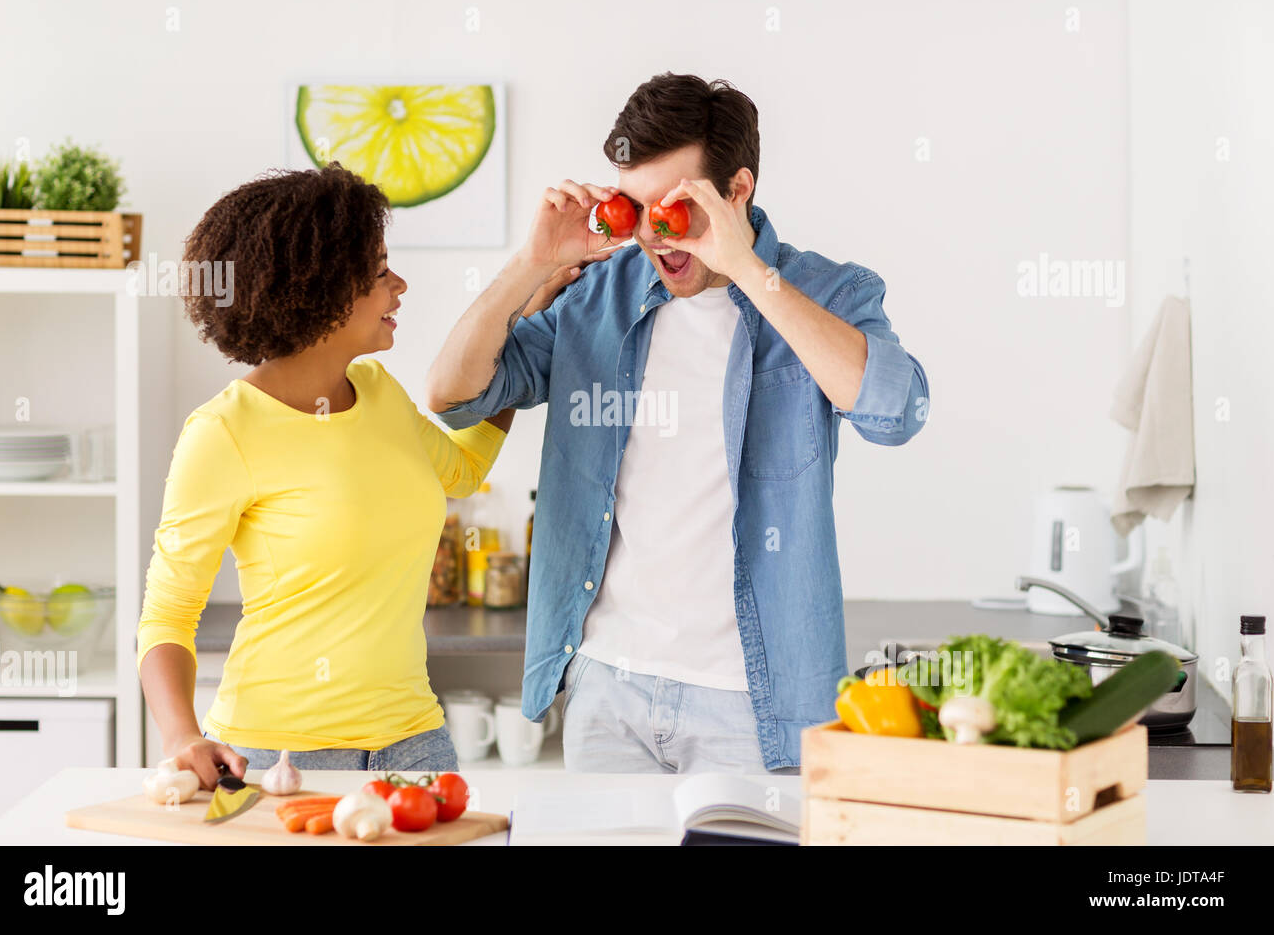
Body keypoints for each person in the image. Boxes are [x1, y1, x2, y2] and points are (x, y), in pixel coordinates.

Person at [425, 73, 931, 774]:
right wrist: (531, 263)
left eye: (677, 209)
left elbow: (896, 412)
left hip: (751, 701)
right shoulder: (595, 295)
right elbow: (452, 393)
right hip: (606, 683)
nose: (655, 235)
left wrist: (750, 271)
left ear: (737, 193)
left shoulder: (831, 292)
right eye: (635, 210)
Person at [137, 163, 524, 788]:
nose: (399, 285)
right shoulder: (223, 432)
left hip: (416, 747)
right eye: (378, 273)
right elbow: (167, 615)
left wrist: (520, 354)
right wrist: (183, 736)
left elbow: (462, 471)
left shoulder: (377, 390)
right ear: (317, 292)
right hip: (275, 758)